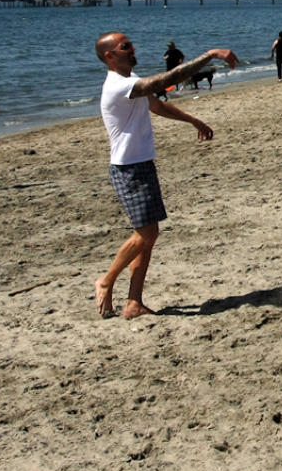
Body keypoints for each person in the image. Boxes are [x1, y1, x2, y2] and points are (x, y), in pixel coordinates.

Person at [93, 32, 238, 318]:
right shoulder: (118, 86)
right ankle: (106, 280)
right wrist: (209, 55)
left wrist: (192, 119)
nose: (133, 48)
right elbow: (162, 83)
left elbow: (157, 104)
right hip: (128, 168)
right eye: (125, 47)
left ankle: (134, 302)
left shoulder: (130, 81)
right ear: (110, 55)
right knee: (146, 233)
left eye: (131, 43)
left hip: (142, 163)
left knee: (148, 235)